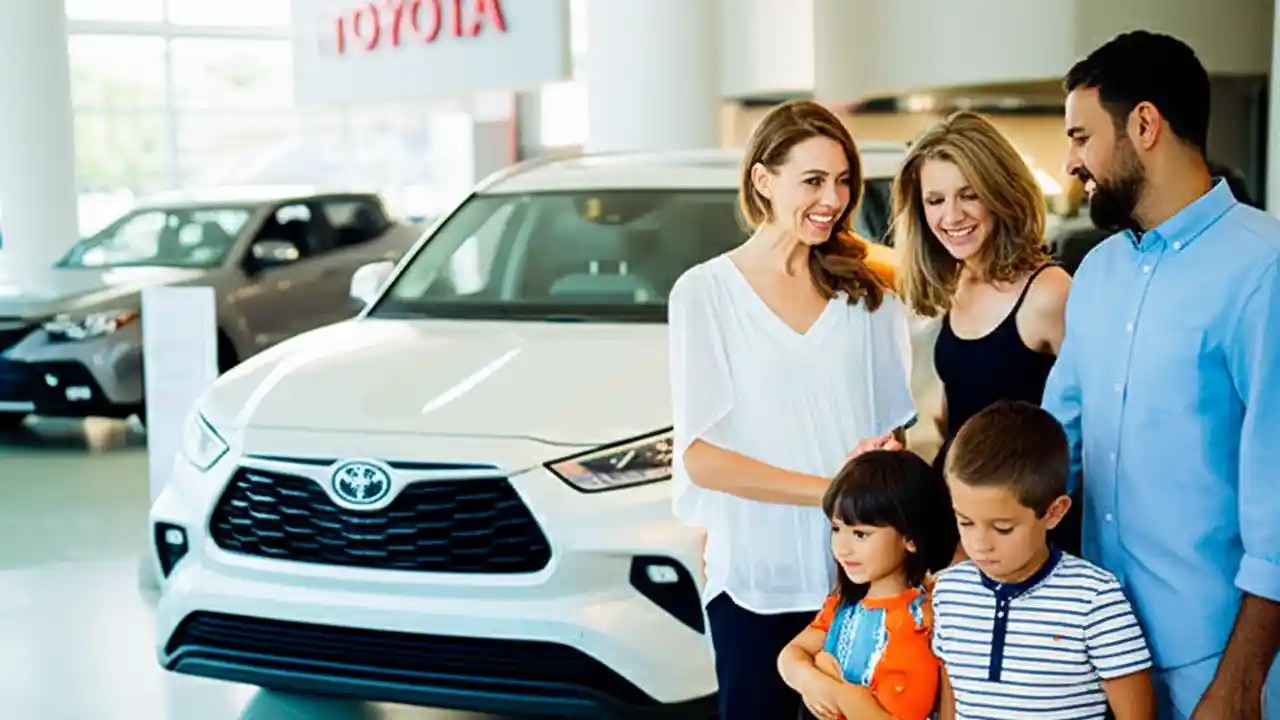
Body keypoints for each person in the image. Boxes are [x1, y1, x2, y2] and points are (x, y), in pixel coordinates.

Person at [1043, 30, 1280, 719]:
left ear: (1144, 124)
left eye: (1082, 136)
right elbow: (1058, 450)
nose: (1071, 162)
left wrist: (1238, 686)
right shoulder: (1099, 272)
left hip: (1218, 663)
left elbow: (1279, 507)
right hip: (1101, 657)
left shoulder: (1264, 270)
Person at [668, 99, 917, 720]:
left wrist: (877, 477)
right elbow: (700, 459)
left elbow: (890, 441)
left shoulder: (871, 294)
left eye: (842, 181)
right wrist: (830, 493)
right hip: (757, 576)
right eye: (813, 180)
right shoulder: (706, 293)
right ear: (763, 179)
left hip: (862, 583)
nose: (832, 198)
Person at [890, 109, 1077, 554]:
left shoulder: (1049, 292)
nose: (951, 215)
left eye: (969, 195)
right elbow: (959, 413)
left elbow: (1094, 429)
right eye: (935, 200)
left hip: (1017, 537)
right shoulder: (959, 281)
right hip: (954, 518)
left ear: (1000, 193)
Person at [932, 401, 1156, 719]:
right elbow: (952, 699)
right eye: (965, 522)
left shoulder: (1094, 599)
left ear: (1054, 513)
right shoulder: (949, 591)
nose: (980, 544)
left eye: (1002, 528)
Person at [778, 449, 956, 720]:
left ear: (911, 538)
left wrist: (838, 689)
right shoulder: (844, 604)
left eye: (861, 534)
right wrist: (816, 681)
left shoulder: (930, 616)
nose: (842, 548)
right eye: (837, 529)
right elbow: (789, 656)